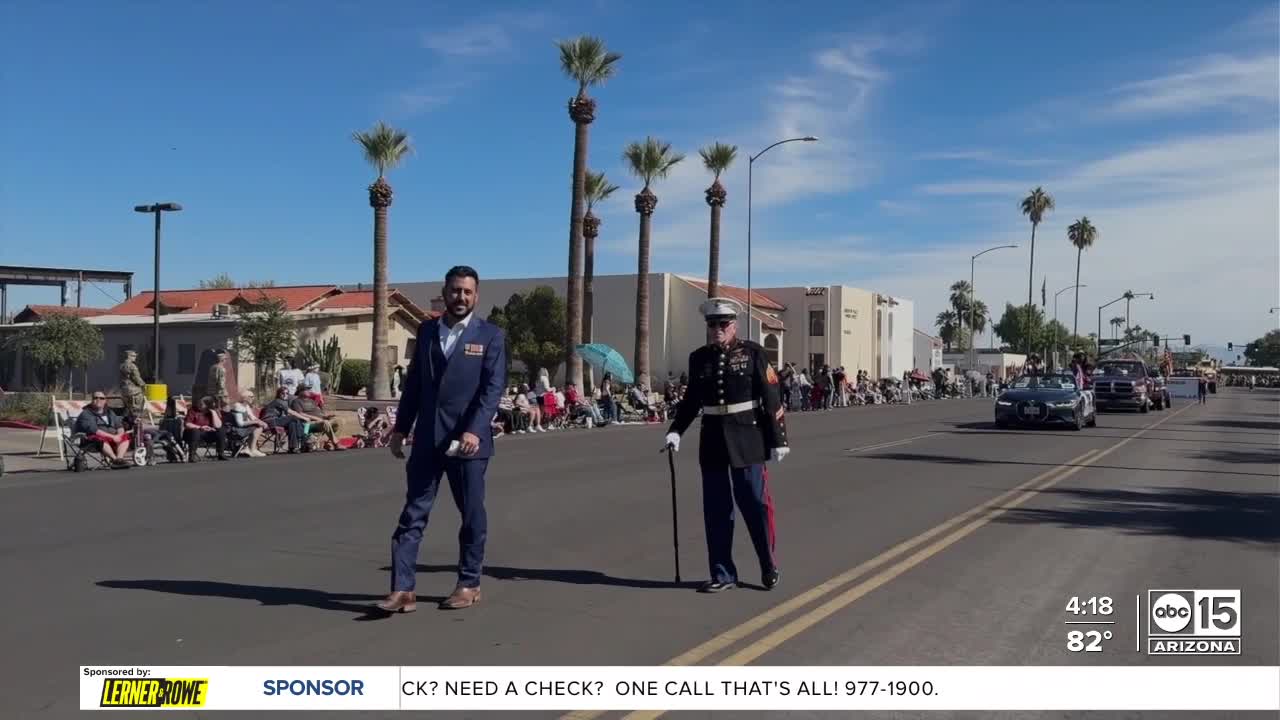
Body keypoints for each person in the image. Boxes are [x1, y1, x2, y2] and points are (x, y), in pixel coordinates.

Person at [378, 265, 506, 614]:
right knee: (412, 515)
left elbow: (492, 391)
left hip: (469, 444)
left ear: (476, 296)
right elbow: (415, 385)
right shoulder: (427, 330)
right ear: (444, 292)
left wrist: (473, 430)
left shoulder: (490, 336)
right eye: (455, 290)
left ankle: (469, 582)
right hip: (427, 442)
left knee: (471, 515)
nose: (460, 297)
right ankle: (403, 590)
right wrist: (401, 427)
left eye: (467, 291)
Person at [665, 298, 789, 594]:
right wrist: (676, 431)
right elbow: (691, 400)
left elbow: (771, 396)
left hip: (748, 440)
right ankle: (723, 573)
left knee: (756, 505)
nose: (717, 329)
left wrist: (778, 439)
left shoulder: (753, 353)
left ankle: (768, 564)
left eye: (723, 324)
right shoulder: (699, 358)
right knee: (717, 511)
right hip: (713, 441)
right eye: (712, 324)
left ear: (734, 325)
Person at [74, 391, 132, 466]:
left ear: (105, 401)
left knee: (125, 437)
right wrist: (113, 437)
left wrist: (119, 435)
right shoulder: (86, 414)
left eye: (101, 398)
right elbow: (94, 430)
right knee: (99, 439)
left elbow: (119, 426)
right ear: (92, 400)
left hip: (112, 439)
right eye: (96, 398)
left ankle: (119, 459)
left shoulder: (109, 412)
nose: (98, 400)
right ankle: (114, 459)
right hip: (92, 441)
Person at [119, 349, 147, 418]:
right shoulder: (132, 366)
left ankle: (124, 423)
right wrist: (143, 385)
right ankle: (135, 425)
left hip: (124, 390)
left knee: (127, 409)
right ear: (129, 356)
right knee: (136, 411)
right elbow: (136, 378)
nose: (135, 357)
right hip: (134, 391)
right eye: (133, 356)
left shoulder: (122, 366)